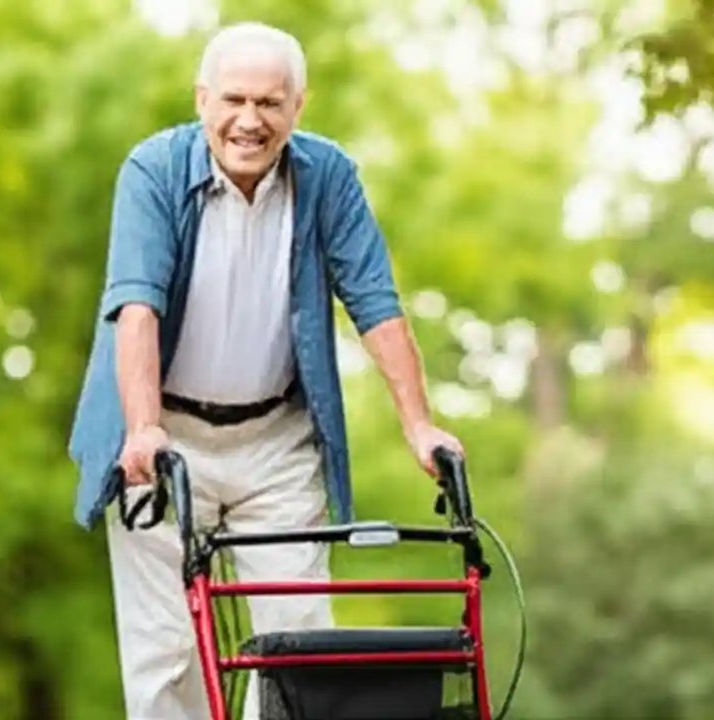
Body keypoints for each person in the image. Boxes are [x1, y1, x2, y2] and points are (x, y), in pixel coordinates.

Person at [65, 21, 465, 720]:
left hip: (275, 441)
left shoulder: (327, 176)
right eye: (234, 100)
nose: (249, 121)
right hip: (164, 440)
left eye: (270, 104)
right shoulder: (154, 171)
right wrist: (143, 429)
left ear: (297, 107)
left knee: (299, 645)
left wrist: (420, 424)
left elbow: (374, 300)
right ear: (202, 100)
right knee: (166, 654)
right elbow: (136, 306)